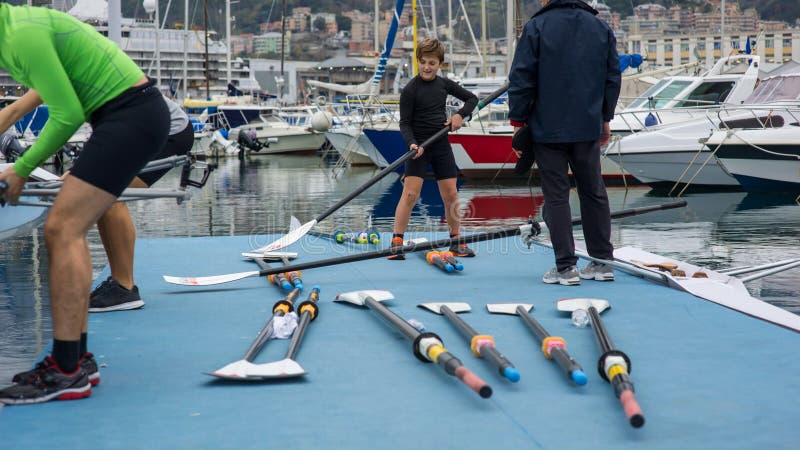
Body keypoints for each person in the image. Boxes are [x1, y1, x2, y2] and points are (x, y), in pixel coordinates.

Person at [0, 3, 170, 404]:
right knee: (66, 227)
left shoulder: (21, 33)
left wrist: (21, 169)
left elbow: (67, 114)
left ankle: (65, 369)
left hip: (131, 115)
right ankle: (76, 359)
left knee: (63, 228)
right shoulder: (15, 31)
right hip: (127, 115)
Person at [508, 0, 621, 286]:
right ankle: (601, 262)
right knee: (593, 190)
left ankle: (565, 267)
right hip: (587, 125)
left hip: (548, 127)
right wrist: (605, 117)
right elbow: (612, 77)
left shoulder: (537, 26)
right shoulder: (600, 27)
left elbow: (521, 77)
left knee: (557, 194)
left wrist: (518, 122)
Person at [88, 95, 194, 312]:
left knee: (109, 195)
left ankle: (124, 287)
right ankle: (118, 282)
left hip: (169, 131)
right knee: (102, 196)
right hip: (144, 129)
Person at [388, 38, 478, 260]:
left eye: (432, 63)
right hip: (418, 147)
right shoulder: (410, 90)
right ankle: (397, 242)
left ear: (440, 64)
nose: (427, 67)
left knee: (450, 194)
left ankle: (456, 241)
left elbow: (472, 99)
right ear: (418, 62)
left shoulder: (444, 84)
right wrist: (412, 143)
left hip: (440, 144)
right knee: (410, 194)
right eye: (423, 62)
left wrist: (458, 115)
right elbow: (404, 123)